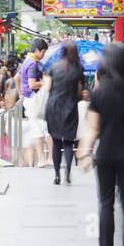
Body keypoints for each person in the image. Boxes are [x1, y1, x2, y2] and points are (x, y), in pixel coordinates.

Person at [78, 44, 124, 246]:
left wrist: (84, 153)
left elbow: (93, 128)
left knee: (105, 203)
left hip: (105, 153)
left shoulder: (98, 92)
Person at [43, 41, 85, 185]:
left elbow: (47, 88)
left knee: (56, 141)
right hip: (71, 107)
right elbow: (80, 91)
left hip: (54, 107)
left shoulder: (53, 67)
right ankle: (68, 168)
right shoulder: (79, 68)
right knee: (68, 141)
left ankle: (56, 175)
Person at [18, 39, 50, 168]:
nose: (43, 54)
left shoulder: (26, 61)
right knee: (42, 129)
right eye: (43, 52)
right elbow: (32, 84)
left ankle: (42, 159)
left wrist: (21, 93)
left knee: (37, 129)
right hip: (34, 100)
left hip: (28, 99)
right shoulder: (33, 64)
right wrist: (45, 82)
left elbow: (17, 78)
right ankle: (44, 159)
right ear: (37, 50)